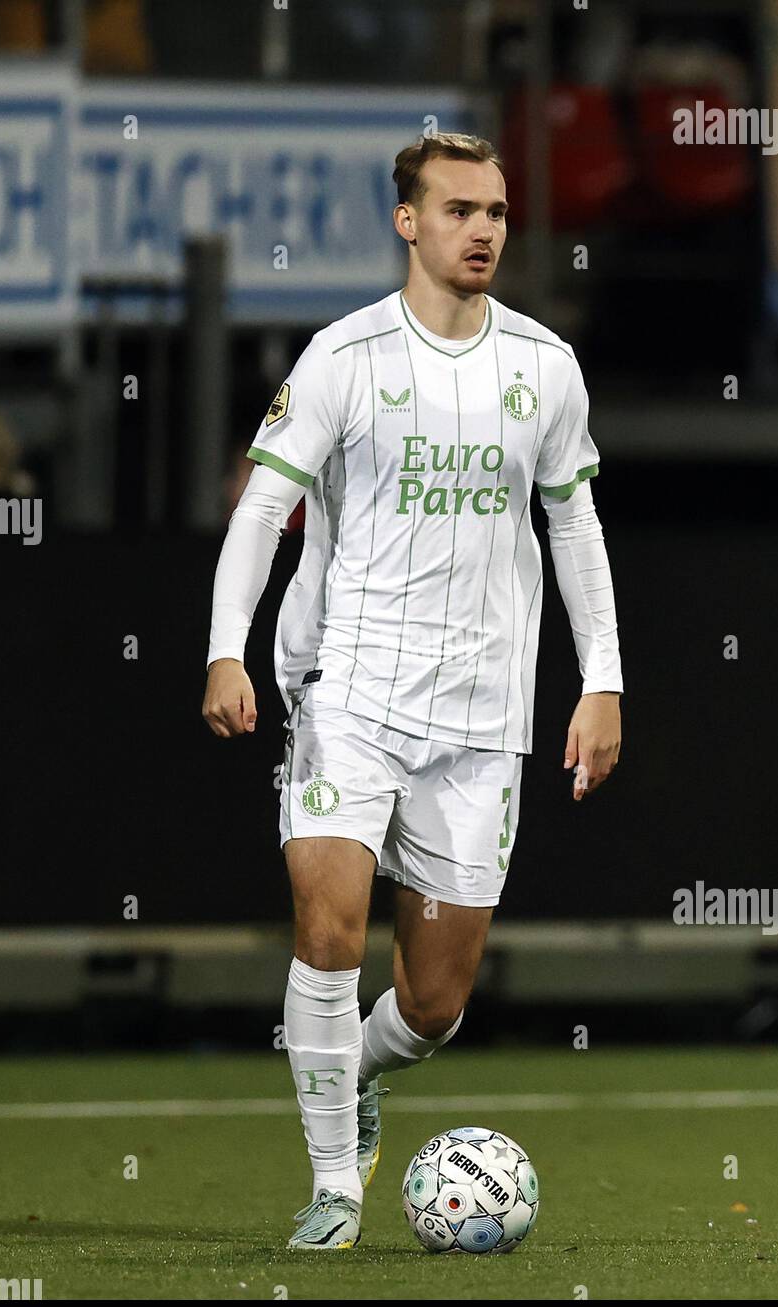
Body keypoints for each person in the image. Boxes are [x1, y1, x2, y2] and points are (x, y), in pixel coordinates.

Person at [202, 133, 623, 1250]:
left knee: (433, 1002)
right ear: (408, 222)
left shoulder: (543, 366)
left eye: (494, 209)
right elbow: (260, 509)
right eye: (457, 210)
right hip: (351, 689)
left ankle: (368, 1073)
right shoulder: (346, 358)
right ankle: (336, 1185)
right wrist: (225, 649)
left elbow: (573, 522)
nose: (482, 229)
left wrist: (603, 682)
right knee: (329, 926)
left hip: (484, 716)